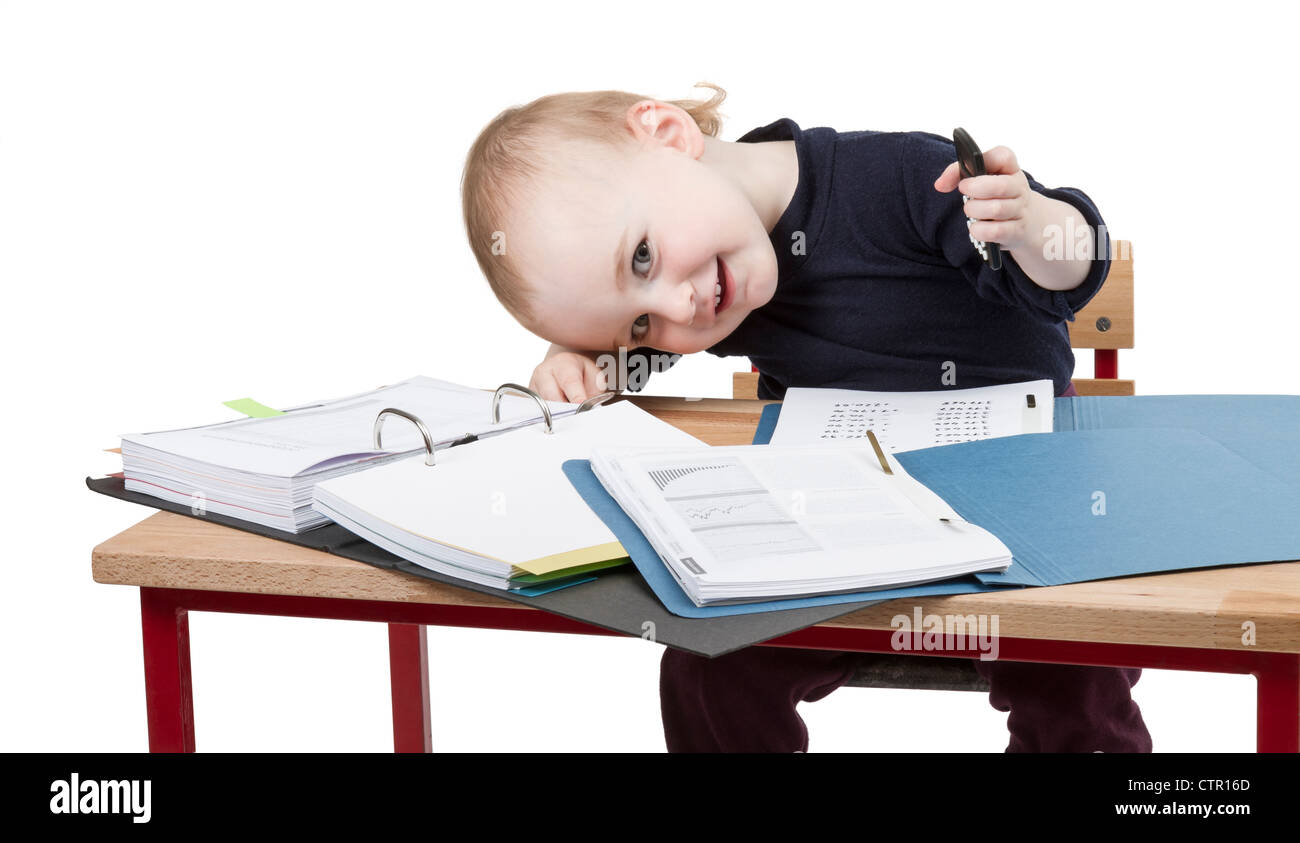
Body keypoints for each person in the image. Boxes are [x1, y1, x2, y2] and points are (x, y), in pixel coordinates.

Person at [459, 83, 1151, 753]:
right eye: (641, 323)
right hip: (845, 532)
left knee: (1078, 671)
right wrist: (583, 359)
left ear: (669, 134)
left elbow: (1075, 266)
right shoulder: (713, 274)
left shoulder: (897, 178)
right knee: (706, 664)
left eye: (642, 255)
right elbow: (631, 354)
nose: (680, 309)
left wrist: (1031, 223)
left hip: (1022, 510)